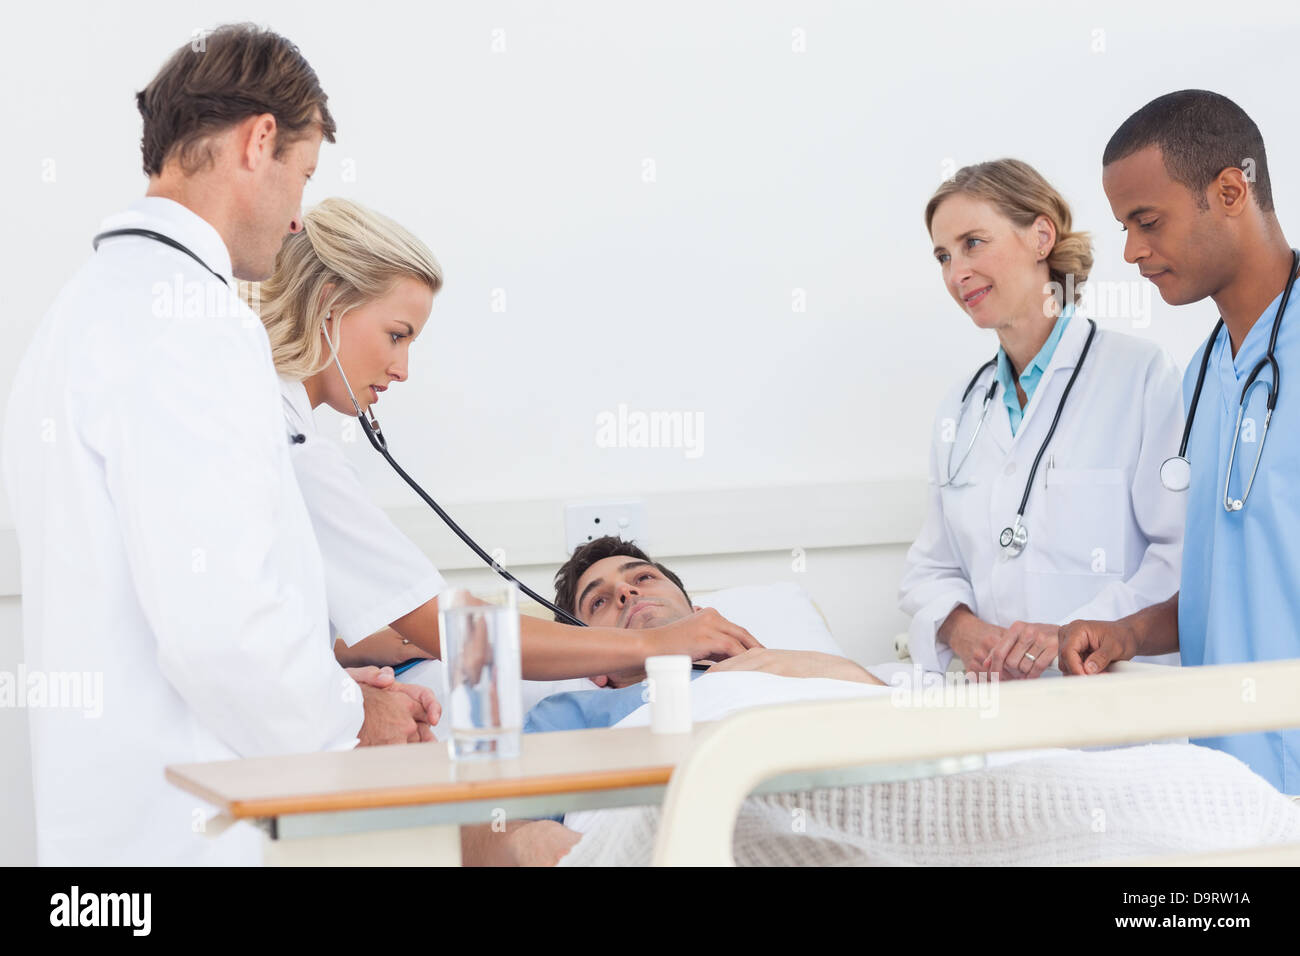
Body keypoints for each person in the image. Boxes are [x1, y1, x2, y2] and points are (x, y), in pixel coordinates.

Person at [1, 25, 435, 866]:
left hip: (110, 832)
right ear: (260, 141)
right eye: (302, 178)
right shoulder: (192, 323)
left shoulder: (76, 317)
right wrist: (354, 718)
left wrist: (325, 682)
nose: (298, 214)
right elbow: (219, 629)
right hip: (191, 836)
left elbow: (167, 604)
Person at [254, 198, 764, 682]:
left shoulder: (267, 418)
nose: (402, 369)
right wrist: (659, 644)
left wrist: (358, 667)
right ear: (328, 304)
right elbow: (452, 628)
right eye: (396, 334)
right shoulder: (295, 450)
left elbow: (304, 621)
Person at [1061, 90, 1300, 794]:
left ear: (1230, 190)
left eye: (1147, 221)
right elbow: (1238, 582)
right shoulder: (1203, 373)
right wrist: (1130, 635)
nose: (1132, 251)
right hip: (1228, 782)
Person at [900, 159, 1185, 680]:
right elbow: (930, 569)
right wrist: (965, 629)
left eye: (973, 243)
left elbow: (1178, 557)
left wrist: (1075, 630)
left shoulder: (1140, 376)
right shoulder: (961, 407)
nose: (955, 273)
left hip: (1113, 697)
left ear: (1041, 238)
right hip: (1000, 703)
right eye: (943, 255)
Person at [463, 536, 883, 865]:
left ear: (700, 612)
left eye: (642, 578)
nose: (626, 592)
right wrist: (528, 839)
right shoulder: (568, 716)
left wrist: (789, 666)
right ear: (593, 666)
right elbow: (477, 827)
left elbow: (898, 722)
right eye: (599, 601)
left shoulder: (786, 667)